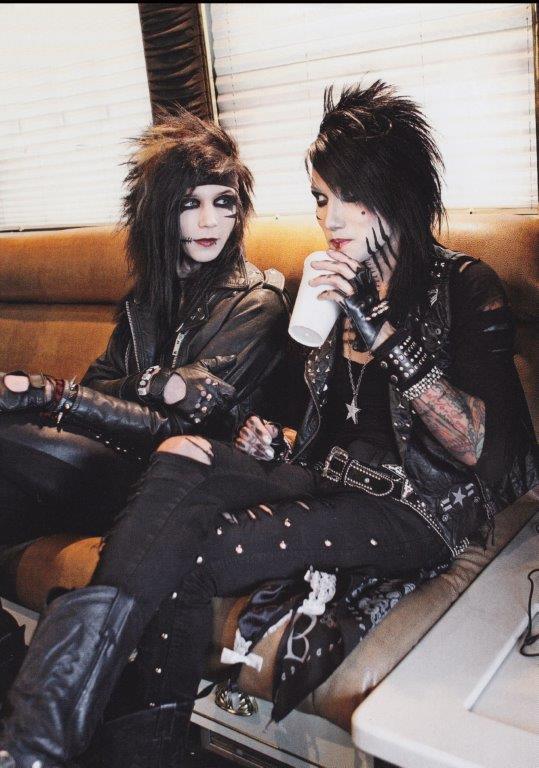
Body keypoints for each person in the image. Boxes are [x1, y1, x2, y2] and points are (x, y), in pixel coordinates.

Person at [0, 81, 536, 768]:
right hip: (322, 477)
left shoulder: (461, 283)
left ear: (395, 192)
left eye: (346, 197)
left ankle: (122, 749)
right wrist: (274, 439)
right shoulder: (332, 283)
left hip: (413, 508)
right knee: (183, 453)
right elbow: (321, 427)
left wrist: (382, 333)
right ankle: (41, 733)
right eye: (319, 198)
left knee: (187, 555)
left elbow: (481, 448)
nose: (329, 217)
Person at [0, 108, 288, 727]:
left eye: (224, 203)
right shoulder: (145, 299)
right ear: (160, 213)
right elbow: (105, 383)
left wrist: (56, 396)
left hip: (172, 486)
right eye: (190, 204)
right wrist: (149, 384)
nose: (209, 221)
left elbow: (185, 424)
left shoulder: (257, 302)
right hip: (107, 466)